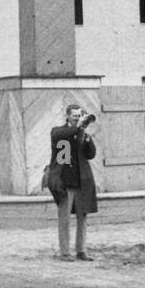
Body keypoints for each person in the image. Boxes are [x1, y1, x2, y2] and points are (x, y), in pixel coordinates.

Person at [46, 103, 98, 261]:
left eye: (79, 116)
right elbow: (63, 139)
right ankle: (65, 252)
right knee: (65, 219)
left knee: (83, 218)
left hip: (82, 182)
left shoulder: (81, 133)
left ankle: (81, 250)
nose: (77, 119)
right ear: (67, 116)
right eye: (75, 116)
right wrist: (79, 129)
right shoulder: (58, 132)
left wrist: (86, 137)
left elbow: (91, 155)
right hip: (65, 183)